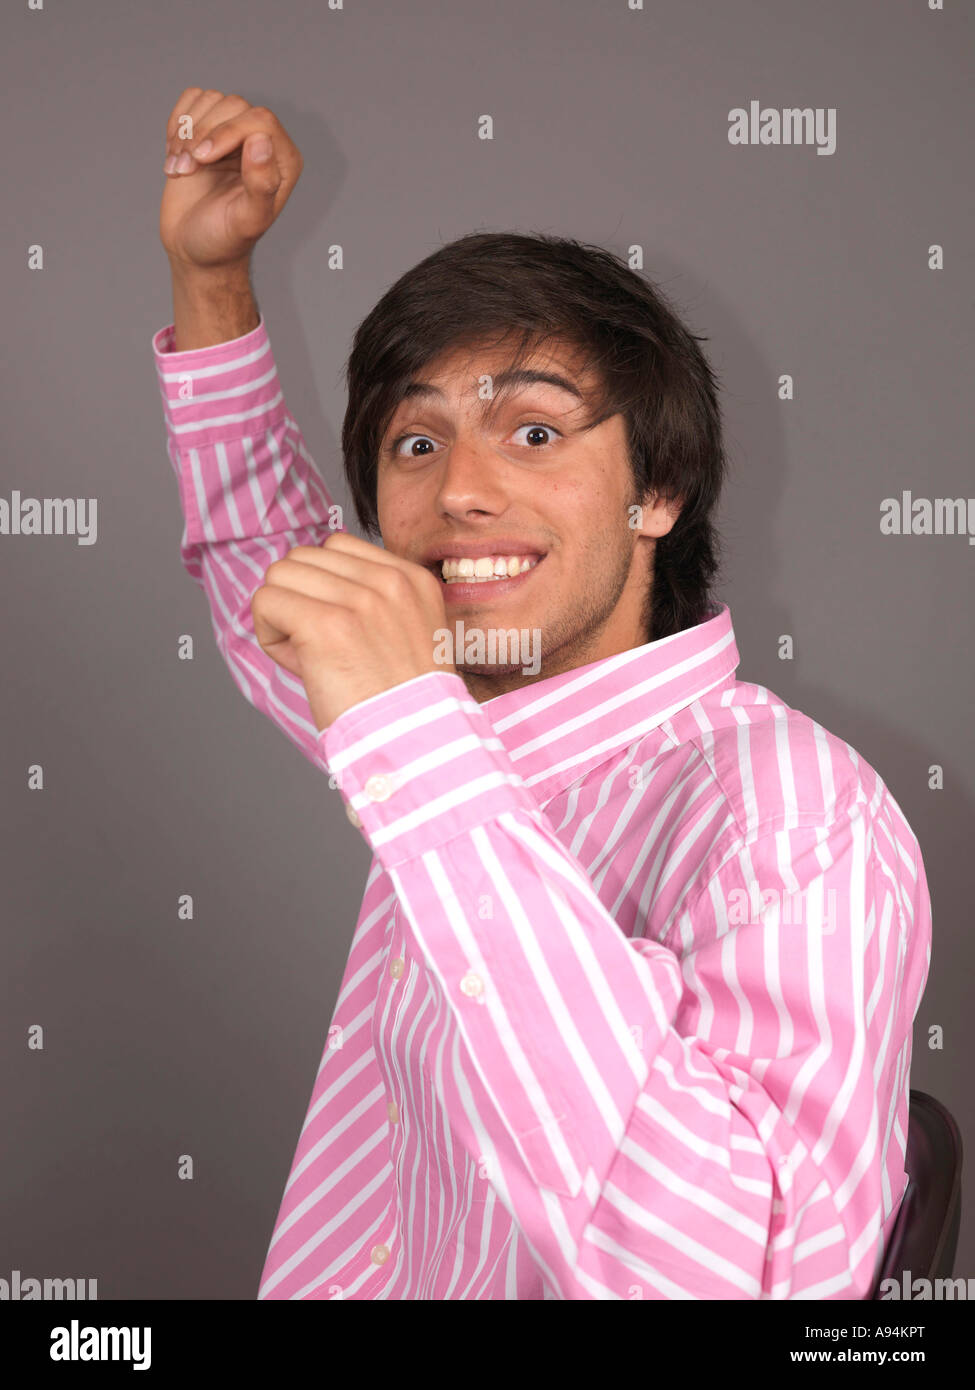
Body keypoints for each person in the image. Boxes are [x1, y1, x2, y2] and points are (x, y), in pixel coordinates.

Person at [153, 88, 931, 1300]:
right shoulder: (456, 741)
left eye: (533, 433)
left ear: (657, 493)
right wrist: (213, 283)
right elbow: (277, 583)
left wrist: (414, 737)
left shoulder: (791, 811)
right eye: (416, 444)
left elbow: (746, 1281)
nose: (460, 489)